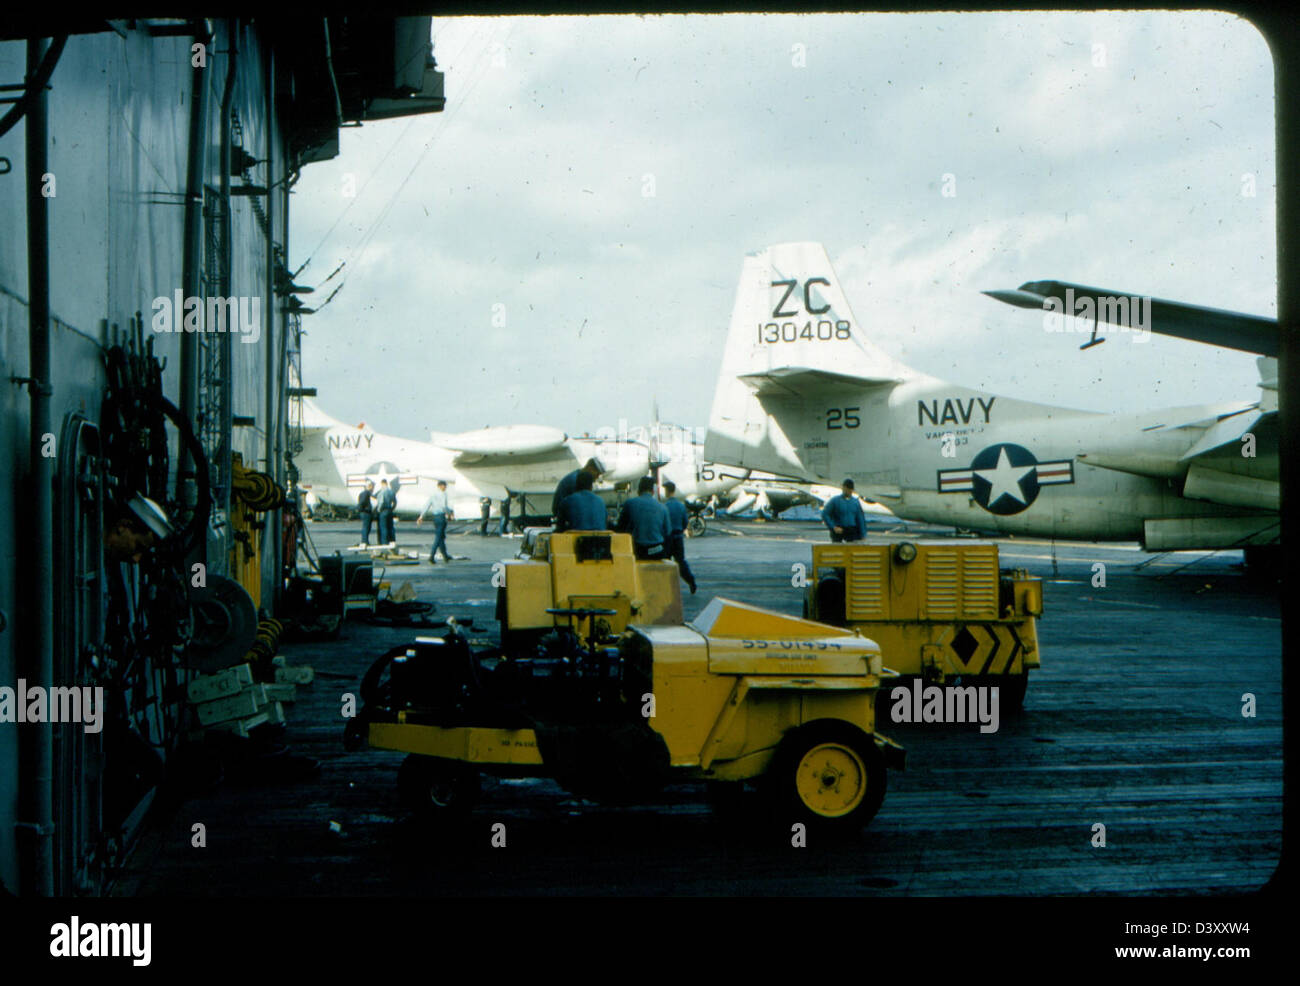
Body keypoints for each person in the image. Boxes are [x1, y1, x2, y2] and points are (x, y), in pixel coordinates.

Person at [616, 475, 670, 560]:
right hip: (658, 551)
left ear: (638, 491)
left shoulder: (629, 504)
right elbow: (668, 532)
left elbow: (620, 529)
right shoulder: (663, 507)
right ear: (653, 492)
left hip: (638, 551)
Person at [661, 480, 697, 594]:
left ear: (667, 491)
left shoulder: (665, 506)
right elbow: (685, 522)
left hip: (667, 538)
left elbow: (662, 524)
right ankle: (691, 581)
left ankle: (665, 586)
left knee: (665, 562)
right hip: (678, 537)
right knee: (681, 562)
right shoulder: (681, 506)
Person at [416, 479, 454, 563]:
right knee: (439, 537)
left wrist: (421, 516)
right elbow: (444, 507)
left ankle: (445, 555)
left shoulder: (433, 495)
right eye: (444, 486)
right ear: (441, 486)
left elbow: (427, 505)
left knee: (441, 536)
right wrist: (450, 513)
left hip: (435, 518)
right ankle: (431, 556)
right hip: (441, 517)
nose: (445, 488)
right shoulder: (443, 494)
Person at [821, 478, 866, 542]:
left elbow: (860, 519)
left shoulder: (855, 502)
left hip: (851, 530)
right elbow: (825, 514)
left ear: (852, 490)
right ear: (843, 488)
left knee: (851, 549)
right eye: (845, 489)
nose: (846, 491)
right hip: (838, 529)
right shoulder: (835, 500)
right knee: (837, 549)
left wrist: (863, 534)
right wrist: (833, 527)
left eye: (848, 489)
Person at [376, 479, 396, 546]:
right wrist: (392, 508)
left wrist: (379, 509)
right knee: (391, 527)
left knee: (383, 527)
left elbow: (381, 502)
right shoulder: (391, 492)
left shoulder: (382, 492)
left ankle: (384, 542)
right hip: (389, 510)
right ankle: (392, 541)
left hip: (383, 511)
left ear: (382, 484)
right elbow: (395, 502)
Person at [356, 479, 375, 547]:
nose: (373, 488)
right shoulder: (366, 493)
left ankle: (365, 540)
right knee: (366, 527)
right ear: (369, 486)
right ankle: (364, 541)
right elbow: (362, 502)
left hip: (364, 512)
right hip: (366, 513)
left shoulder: (363, 493)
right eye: (372, 486)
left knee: (367, 527)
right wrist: (363, 509)